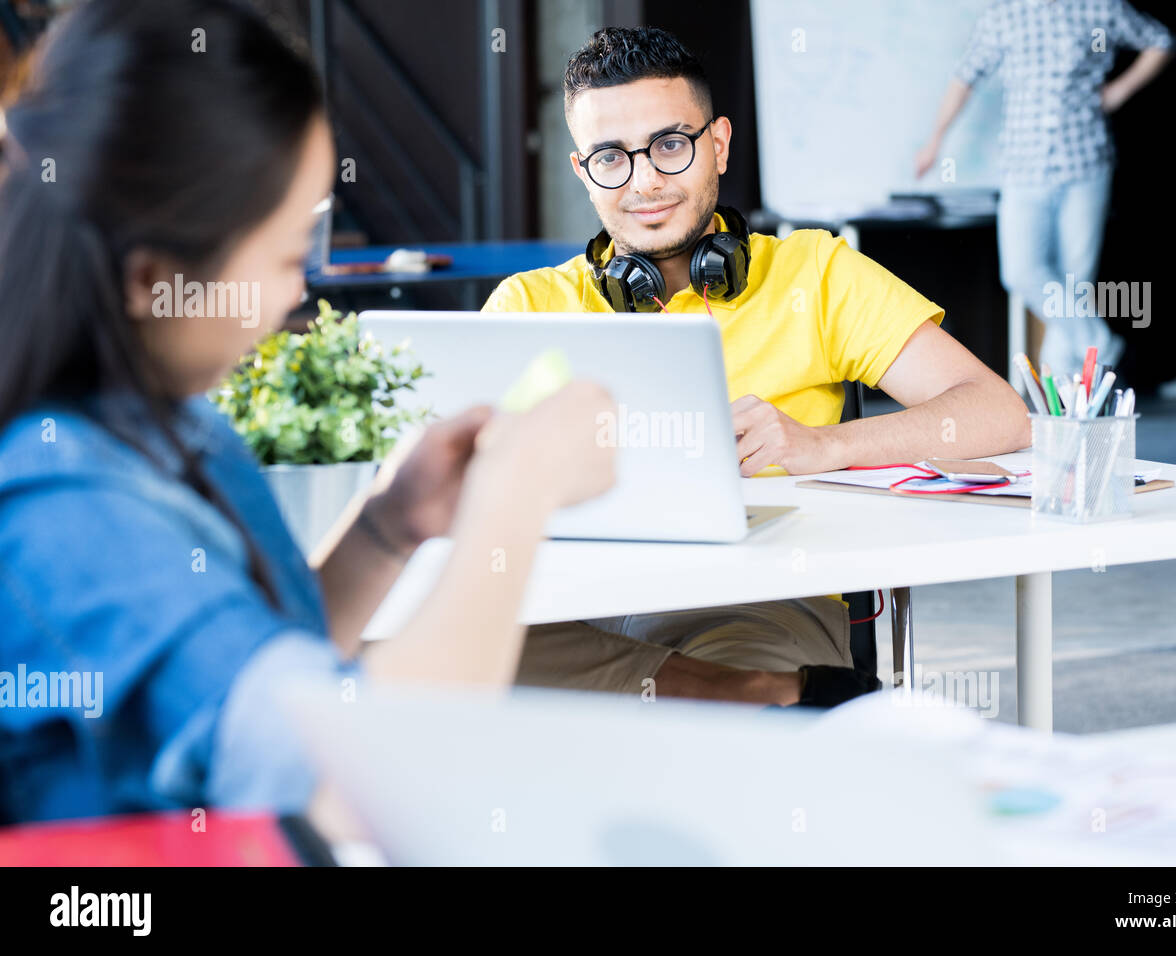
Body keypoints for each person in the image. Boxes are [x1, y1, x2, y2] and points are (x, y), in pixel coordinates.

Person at [0, 0, 614, 824]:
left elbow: (261, 680)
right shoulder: (60, 511)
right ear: (153, 278)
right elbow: (346, 781)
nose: (299, 291)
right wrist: (517, 494)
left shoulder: (175, 424)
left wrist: (386, 530)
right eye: (289, 253)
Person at [484, 27, 1030, 709]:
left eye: (670, 146)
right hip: (574, 601)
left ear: (717, 144)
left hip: (757, 600)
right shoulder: (527, 305)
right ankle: (751, 692)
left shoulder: (816, 270)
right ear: (582, 172)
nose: (644, 181)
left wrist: (821, 445)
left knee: (699, 730)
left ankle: (715, 691)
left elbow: (997, 413)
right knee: (401, 646)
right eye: (610, 158)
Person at [916, 0, 1175, 377]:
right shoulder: (1004, 14)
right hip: (1023, 166)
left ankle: (1066, 401)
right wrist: (936, 140)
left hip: (1085, 161)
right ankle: (1101, 343)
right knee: (1021, 271)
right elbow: (965, 77)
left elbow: (1160, 40)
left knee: (1074, 286)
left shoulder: (1099, 7)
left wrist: (1119, 90)